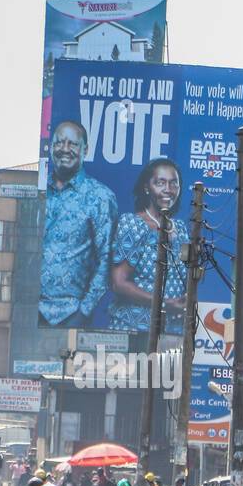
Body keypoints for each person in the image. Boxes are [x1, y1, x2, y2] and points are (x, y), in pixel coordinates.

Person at [40, 120, 117, 328]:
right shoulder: (37, 192)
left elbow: (107, 258)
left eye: (72, 144)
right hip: (30, 312)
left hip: (71, 314)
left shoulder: (100, 197)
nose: (64, 149)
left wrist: (84, 311)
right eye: (59, 143)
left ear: (85, 149)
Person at [107, 158, 189, 333]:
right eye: (160, 183)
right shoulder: (134, 224)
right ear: (146, 187)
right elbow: (119, 284)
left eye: (174, 183)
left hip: (171, 332)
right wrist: (164, 304)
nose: (168, 189)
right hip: (134, 329)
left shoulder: (181, 229)